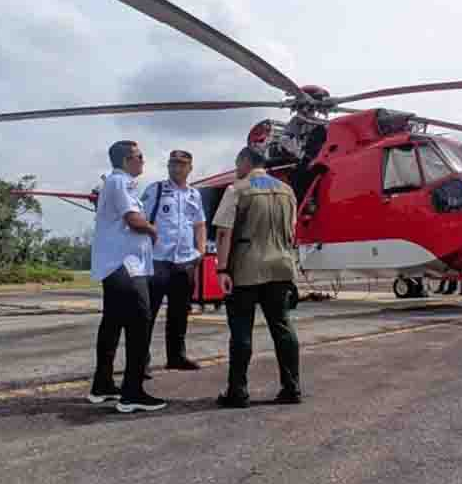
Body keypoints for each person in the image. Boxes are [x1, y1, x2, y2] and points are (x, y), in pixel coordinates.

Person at [212, 146, 302, 408]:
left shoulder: (237, 189)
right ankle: (292, 388)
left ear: (245, 161)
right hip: (281, 266)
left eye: (237, 163)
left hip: (246, 269)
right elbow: (292, 230)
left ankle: (238, 392)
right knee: (282, 327)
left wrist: (222, 269)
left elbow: (224, 232)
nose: (236, 168)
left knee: (241, 330)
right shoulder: (287, 191)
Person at [87, 140, 166, 413]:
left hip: (115, 266)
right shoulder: (121, 182)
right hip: (126, 266)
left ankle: (102, 385)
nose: (143, 160)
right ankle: (132, 393)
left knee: (112, 324)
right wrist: (153, 229)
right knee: (140, 324)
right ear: (125, 160)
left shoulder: (115, 182)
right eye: (139, 156)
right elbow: (133, 220)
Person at [141, 149, 206, 371]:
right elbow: (141, 219)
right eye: (173, 164)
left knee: (179, 313)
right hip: (158, 260)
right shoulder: (156, 190)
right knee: (147, 314)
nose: (177, 168)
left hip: (184, 262)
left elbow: (199, 224)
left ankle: (176, 356)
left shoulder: (194, 195)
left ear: (190, 168)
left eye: (182, 164)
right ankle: (141, 362)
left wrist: (200, 251)